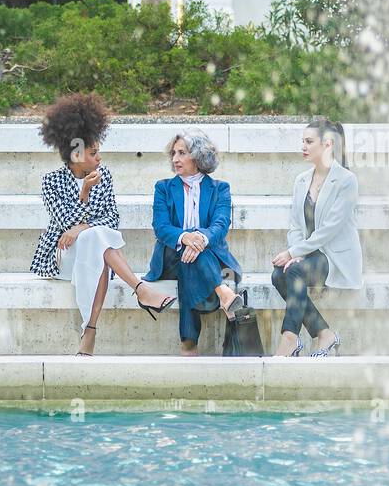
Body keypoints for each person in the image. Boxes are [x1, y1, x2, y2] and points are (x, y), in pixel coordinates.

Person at [30, 93, 175, 356]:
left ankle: (90, 332)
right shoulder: (50, 181)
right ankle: (140, 289)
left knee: (94, 239)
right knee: (96, 238)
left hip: (91, 250)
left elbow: (112, 219)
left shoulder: (104, 175)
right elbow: (65, 223)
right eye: (94, 153)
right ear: (76, 154)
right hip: (62, 257)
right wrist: (84, 193)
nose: (100, 158)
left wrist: (83, 228)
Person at [144, 130, 245, 356]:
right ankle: (224, 294)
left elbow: (220, 226)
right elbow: (161, 227)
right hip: (170, 256)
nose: (175, 159)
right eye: (173, 153)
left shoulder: (220, 189)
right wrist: (186, 237)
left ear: (198, 156)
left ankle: (188, 344)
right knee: (189, 252)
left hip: (205, 258)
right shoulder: (163, 188)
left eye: (182, 153)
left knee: (190, 258)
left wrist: (199, 239)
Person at [270, 117, 364, 356]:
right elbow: (295, 225)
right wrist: (296, 253)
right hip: (310, 253)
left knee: (292, 271)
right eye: (302, 141)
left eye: (309, 141)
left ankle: (289, 338)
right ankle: (324, 333)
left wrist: (294, 253)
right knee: (278, 275)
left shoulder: (346, 181)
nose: (303, 146)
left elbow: (329, 229)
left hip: (334, 256)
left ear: (328, 144)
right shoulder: (301, 181)